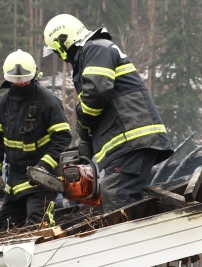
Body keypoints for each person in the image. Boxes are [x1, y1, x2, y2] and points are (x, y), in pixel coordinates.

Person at [42, 14, 173, 212]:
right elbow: (103, 106)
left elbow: (97, 92)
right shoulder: (92, 55)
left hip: (130, 140)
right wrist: (85, 143)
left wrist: (82, 123)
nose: (59, 56)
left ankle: (126, 242)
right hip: (125, 144)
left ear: (62, 42)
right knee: (110, 198)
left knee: (116, 196)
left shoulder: (96, 48)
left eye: (56, 51)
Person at [0, 49, 72, 230]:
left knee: (38, 224)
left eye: (24, 80)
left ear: (34, 74)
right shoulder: (3, 103)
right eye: (16, 81)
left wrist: (43, 167)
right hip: (15, 181)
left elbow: (62, 137)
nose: (21, 84)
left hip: (43, 180)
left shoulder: (48, 101)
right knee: (5, 225)